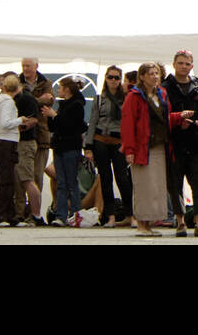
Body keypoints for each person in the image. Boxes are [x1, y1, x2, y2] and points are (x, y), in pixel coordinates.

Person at [122, 61, 190, 237]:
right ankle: (141, 224)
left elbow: (164, 118)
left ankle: (150, 223)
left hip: (161, 146)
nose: (155, 77)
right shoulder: (134, 96)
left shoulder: (162, 94)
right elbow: (128, 124)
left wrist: (179, 117)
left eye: (157, 73)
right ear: (142, 77)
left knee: (156, 187)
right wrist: (129, 150)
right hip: (142, 147)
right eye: (151, 73)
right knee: (143, 186)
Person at [163, 50, 198, 237]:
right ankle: (180, 222)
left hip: (196, 143)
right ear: (174, 64)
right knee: (175, 184)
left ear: (192, 66)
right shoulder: (165, 87)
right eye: (181, 63)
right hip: (174, 143)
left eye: (187, 63)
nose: (184, 66)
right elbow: (160, 116)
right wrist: (178, 122)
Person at [85, 65, 131, 227]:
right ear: (105, 78)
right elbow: (92, 122)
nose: (113, 80)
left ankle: (130, 214)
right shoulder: (99, 99)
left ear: (120, 80)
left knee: (123, 178)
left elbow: (129, 122)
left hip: (118, 142)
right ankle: (110, 216)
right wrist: (88, 146)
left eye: (116, 78)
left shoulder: (126, 99)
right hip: (100, 140)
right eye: (110, 77)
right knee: (105, 179)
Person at [14, 58, 54, 221]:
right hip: (21, 137)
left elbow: (50, 101)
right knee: (20, 177)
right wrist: (37, 101)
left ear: (36, 66)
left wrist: (29, 101)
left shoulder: (46, 82)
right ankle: (19, 213)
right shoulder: (17, 80)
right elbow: (16, 103)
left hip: (41, 136)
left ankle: (34, 214)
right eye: (23, 66)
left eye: (28, 66)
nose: (25, 69)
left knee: (36, 176)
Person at [48, 77, 87, 226]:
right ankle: (61, 215)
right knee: (62, 182)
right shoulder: (63, 105)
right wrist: (50, 116)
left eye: (60, 88)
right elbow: (54, 126)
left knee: (71, 182)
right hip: (59, 146)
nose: (58, 91)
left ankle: (75, 213)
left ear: (67, 90)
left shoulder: (77, 106)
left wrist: (55, 116)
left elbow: (69, 125)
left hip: (70, 147)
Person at [0, 74, 23, 227]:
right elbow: (6, 123)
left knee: (5, 179)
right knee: (5, 180)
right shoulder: (8, 102)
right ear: (17, 88)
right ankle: (0, 215)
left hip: (0, 140)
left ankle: (8, 214)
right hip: (8, 141)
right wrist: (21, 120)